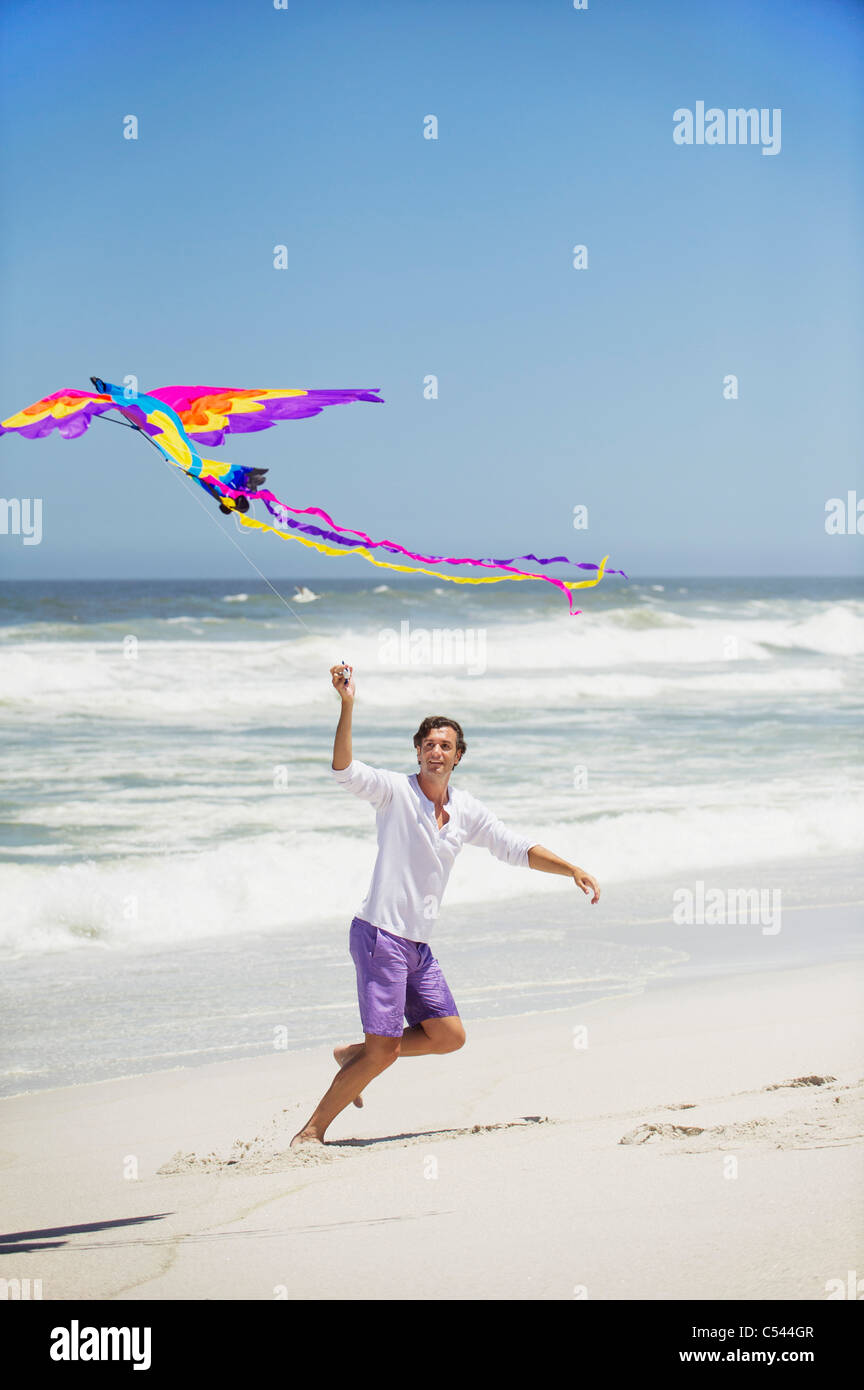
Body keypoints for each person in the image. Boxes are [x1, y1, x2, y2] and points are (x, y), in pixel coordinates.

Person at [289, 663, 601, 1149]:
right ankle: (310, 1133)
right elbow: (345, 769)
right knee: (385, 1053)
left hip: (418, 946)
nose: (436, 752)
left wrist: (572, 868)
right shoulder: (395, 793)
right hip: (380, 936)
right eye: (429, 744)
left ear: (458, 757)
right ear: (418, 751)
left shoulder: (465, 811)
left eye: (446, 746)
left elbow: (515, 846)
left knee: (449, 1036)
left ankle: (352, 1052)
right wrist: (348, 705)